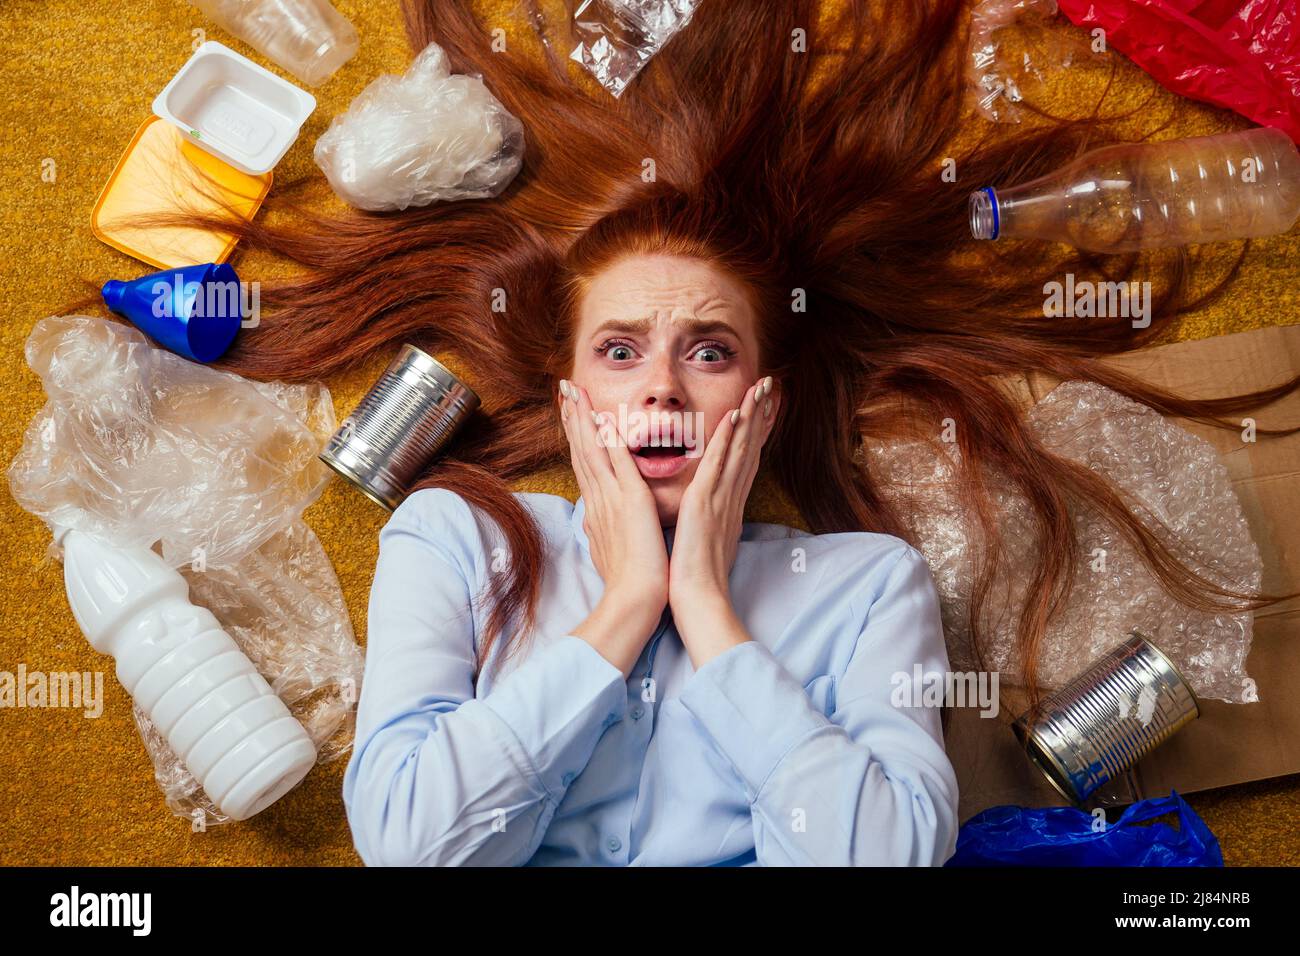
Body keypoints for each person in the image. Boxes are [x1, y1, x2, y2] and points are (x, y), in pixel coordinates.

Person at [197, 0, 1296, 863]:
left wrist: (709, 613)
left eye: (709, 352)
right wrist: (623, 605)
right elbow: (412, 842)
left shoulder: (868, 584)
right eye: (619, 352)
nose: (663, 390)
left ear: (763, 403)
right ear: (571, 394)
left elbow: (879, 859)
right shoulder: (455, 536)